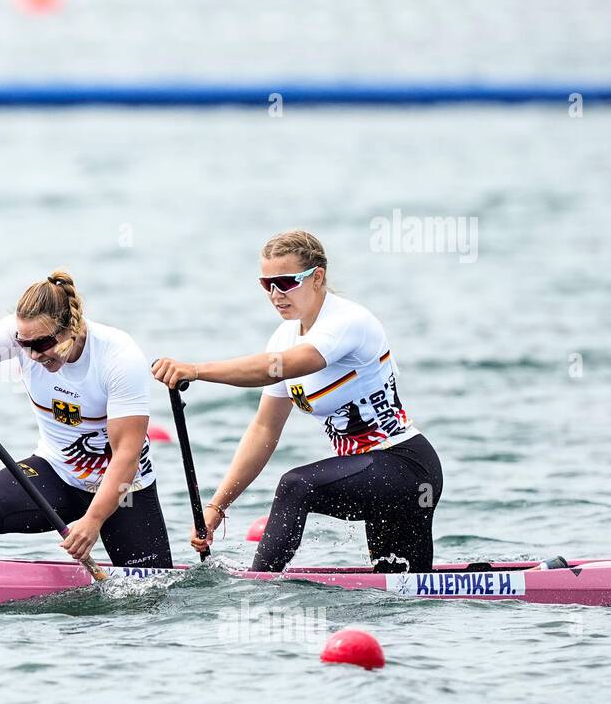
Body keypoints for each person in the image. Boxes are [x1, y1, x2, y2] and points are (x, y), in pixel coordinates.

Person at [151, 230, 442, 574]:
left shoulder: (348, 322)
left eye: (286, 282)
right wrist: (216, 507)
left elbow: (280, 368)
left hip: (406, 467)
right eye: (267, 284)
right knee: (402, 589)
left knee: (296, 485)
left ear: (317, 277)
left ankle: (258, 589)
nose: (275, 294)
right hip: (371, 476)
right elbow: (263, 430)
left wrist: (197, 371)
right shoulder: (285, 335)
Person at [0, 270, 171, 568]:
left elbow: (126, 454)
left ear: (71, 327)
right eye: (24, 345)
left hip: (124, 490)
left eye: (43, 344)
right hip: (57, 473)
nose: (32, 355)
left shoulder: (118, 357)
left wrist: (93, 520)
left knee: (149, 594)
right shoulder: (25, 334)